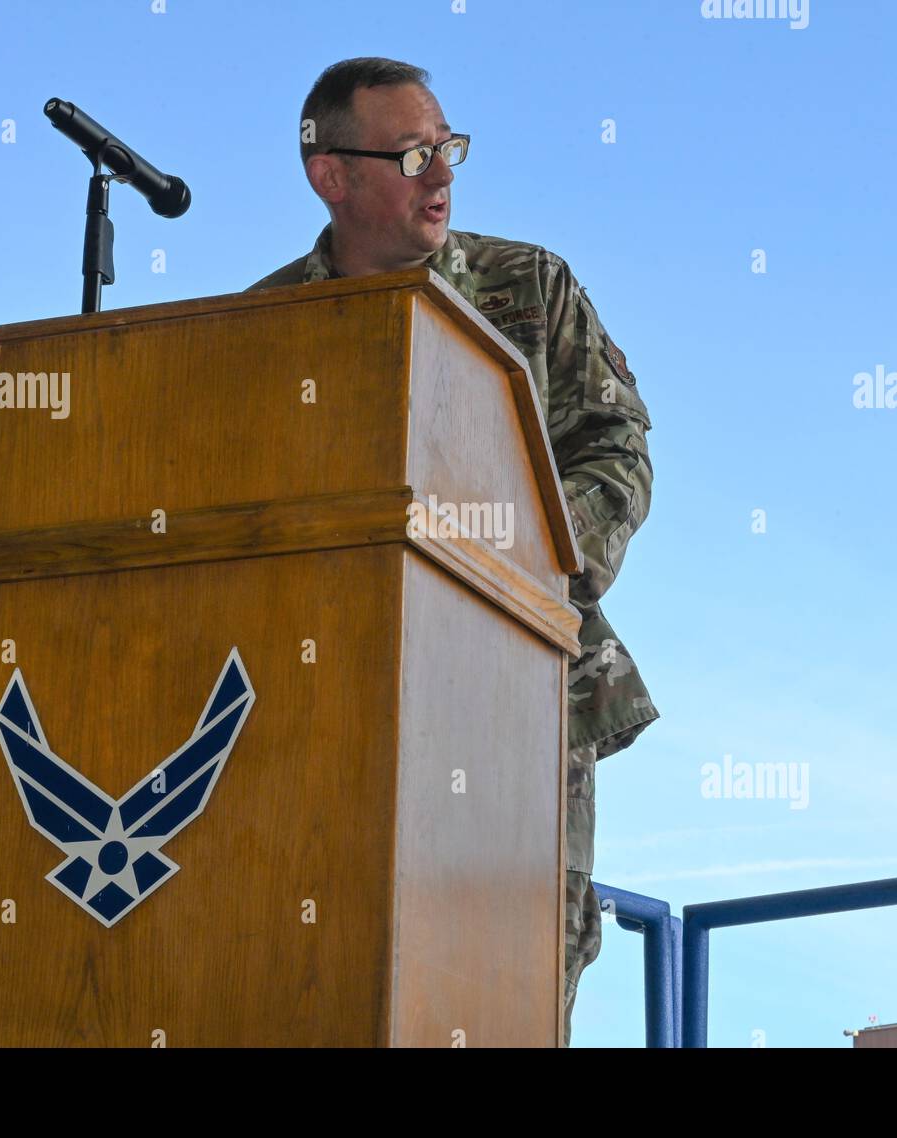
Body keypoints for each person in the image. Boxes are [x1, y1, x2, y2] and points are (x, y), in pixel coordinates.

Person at [243, 57, 658, 1046]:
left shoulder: (528, 288)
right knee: (321, 945)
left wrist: (532, 566)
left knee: (519, 953)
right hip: (325, 705)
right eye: (413, 154)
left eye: (448, 150)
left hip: (521, 689)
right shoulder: (261, 328)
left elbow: (613, 449)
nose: (442, 176)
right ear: (330, 175)